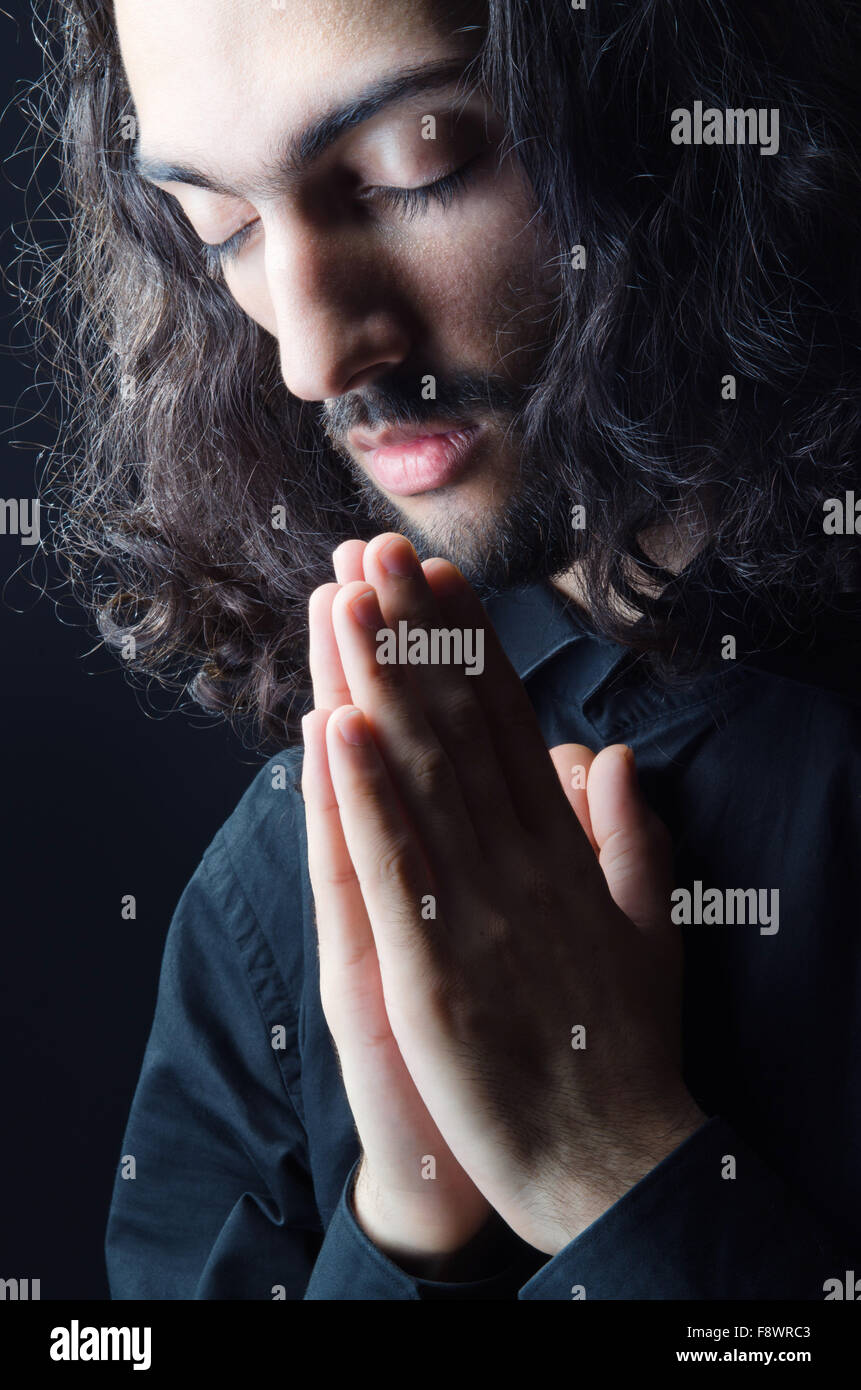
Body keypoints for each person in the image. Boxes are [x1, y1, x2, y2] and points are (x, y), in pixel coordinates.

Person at [28, 0, 860, 1297]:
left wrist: (612, 1169)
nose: (309, 354)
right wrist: (408, 1227)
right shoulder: (278, 891)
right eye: (222, 229)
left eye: (417, 165)